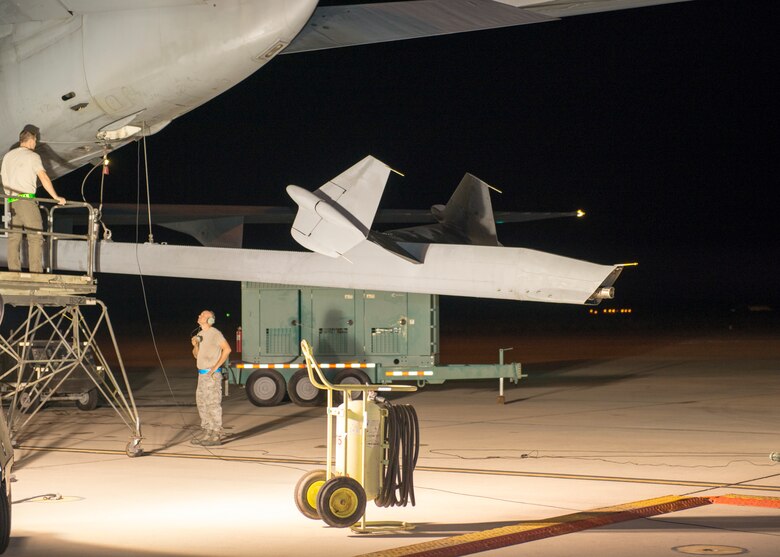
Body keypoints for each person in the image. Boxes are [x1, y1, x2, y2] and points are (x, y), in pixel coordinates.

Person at [1, 128, 66, 272]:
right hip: (26, 201)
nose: (35, 144)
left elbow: (3, 178)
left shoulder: (8, 156)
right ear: (30, 140)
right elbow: (43, 177)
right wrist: (56, 197)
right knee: (35, 236)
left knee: (14, 238)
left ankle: (14, 271)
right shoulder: (32, 156)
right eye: (35, 141)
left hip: (11, 202)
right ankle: (35, 272)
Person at [191, 310, 231, 446]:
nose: (199, 316)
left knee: (212, 404)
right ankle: (207, 432)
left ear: (210, 320)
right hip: (202, 375)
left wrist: (215, 367)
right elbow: (196, 355)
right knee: (202, 403)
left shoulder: (215, 333)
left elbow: (227, 349)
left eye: (202, 315)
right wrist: (195, 345)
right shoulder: (200, 334)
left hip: (211, 374)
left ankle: (216, 434)